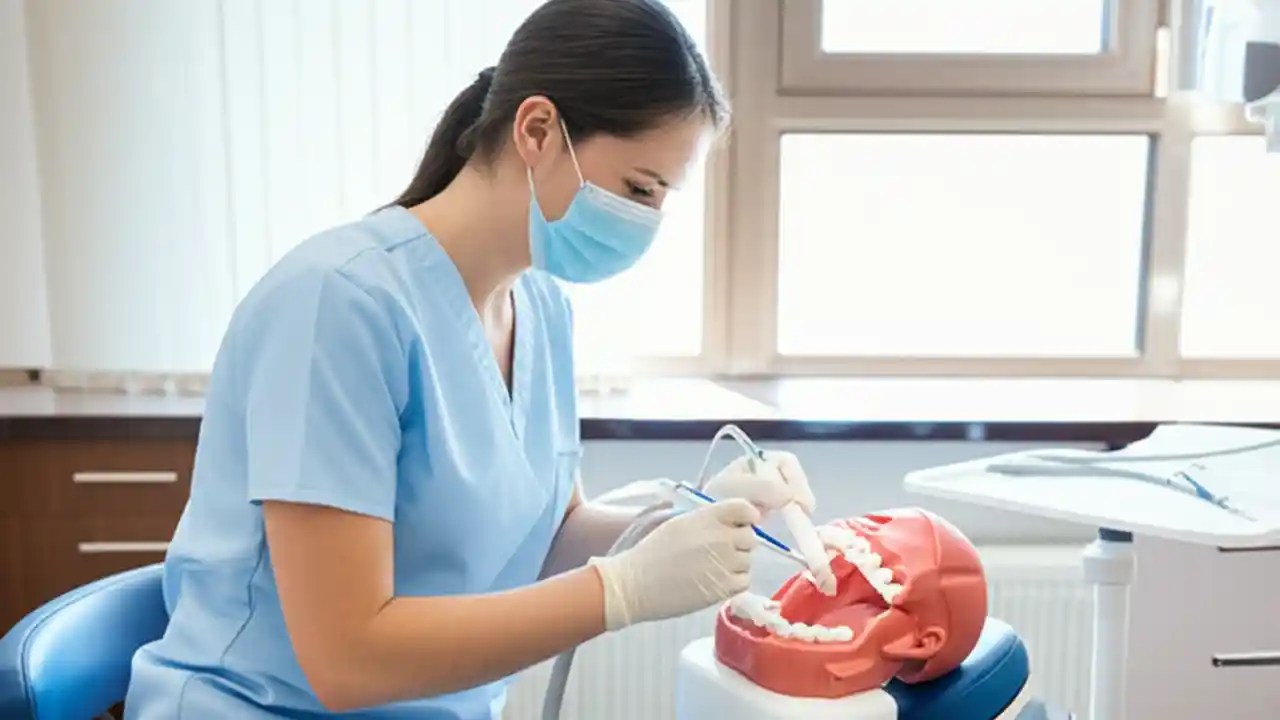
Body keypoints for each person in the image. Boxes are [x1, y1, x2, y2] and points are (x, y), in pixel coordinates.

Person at [124, 1, 816, 717]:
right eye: (639, 189)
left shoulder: (540, 307)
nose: (646, 221)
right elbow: (346, 658)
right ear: (537, 130)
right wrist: (620, 590)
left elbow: (544, 541)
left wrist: (695, 513)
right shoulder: (339, 305)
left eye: (661, 198)